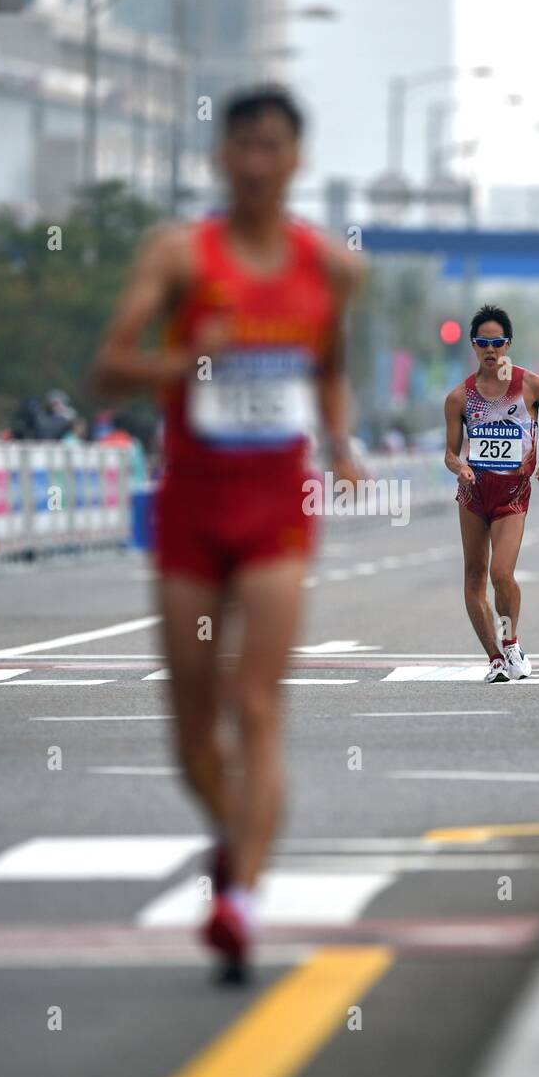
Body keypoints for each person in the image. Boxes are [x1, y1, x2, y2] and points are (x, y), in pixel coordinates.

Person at [93, 86, 362, 979]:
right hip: (192, 508)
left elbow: (327, 365)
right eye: (240, 145)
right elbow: (108, 370)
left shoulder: (330, 268)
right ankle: (233, 838)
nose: (254, 163)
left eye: (272, 147)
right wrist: (186, 358)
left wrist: (342, 443)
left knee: (259, 706)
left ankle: (238, 899)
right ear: (220, 157)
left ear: (296, 161)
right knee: (194, 736)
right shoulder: (178, 255)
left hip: (277, 506)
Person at [444, 305, 539, 682]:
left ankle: (511, 642)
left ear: (508, 344)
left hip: (513, 494)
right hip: (473, 493)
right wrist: (460, 467)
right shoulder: (459, 398)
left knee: (502, 572)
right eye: (483, 343)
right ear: (473, 346)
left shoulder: (531, 385)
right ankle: (495, 660)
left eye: (497, 342)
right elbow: (450, 452)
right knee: (473, 578)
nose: (490, 350)